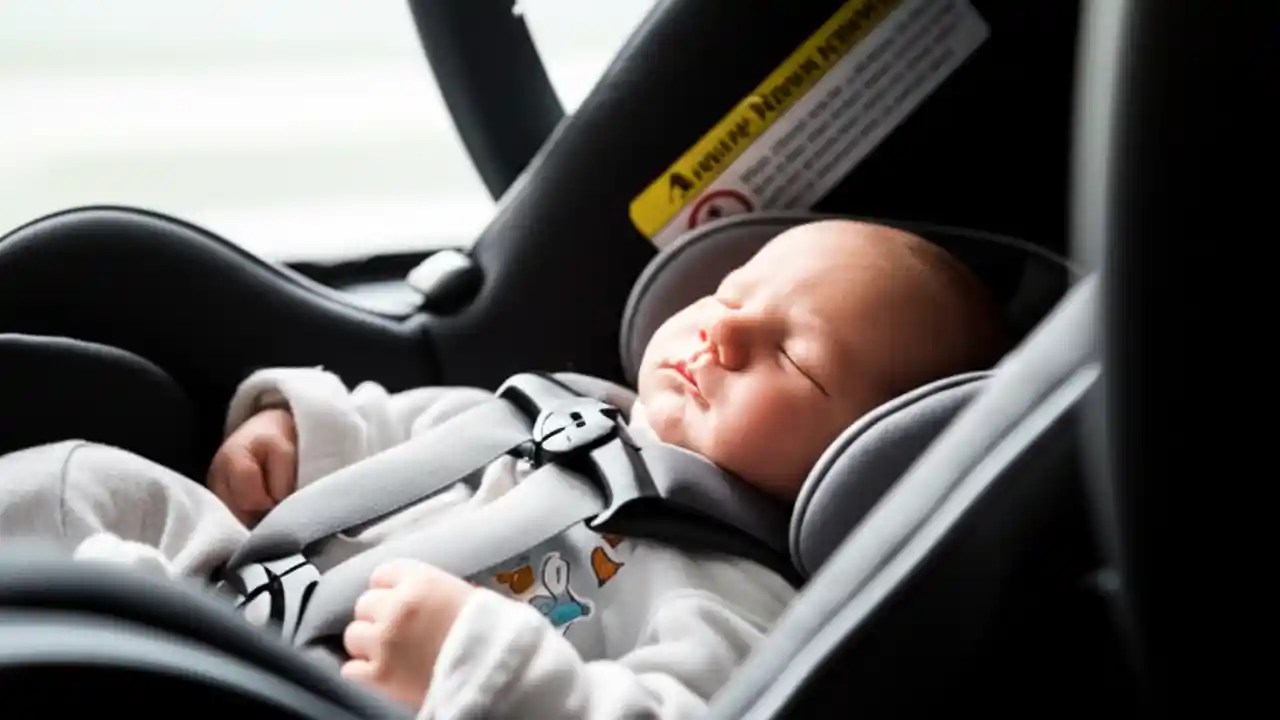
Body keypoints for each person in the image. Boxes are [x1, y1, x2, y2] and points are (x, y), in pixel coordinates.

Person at [0, 219, 1006, 718]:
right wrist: (297, 435)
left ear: (864, 462)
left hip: (340, 697)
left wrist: (476, 668)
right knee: (91, 484)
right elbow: (407, 436)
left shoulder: (738, 598)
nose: (724, 330)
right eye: (733, 293)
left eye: (795, 358)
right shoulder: (562, 409)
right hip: (230, 583)